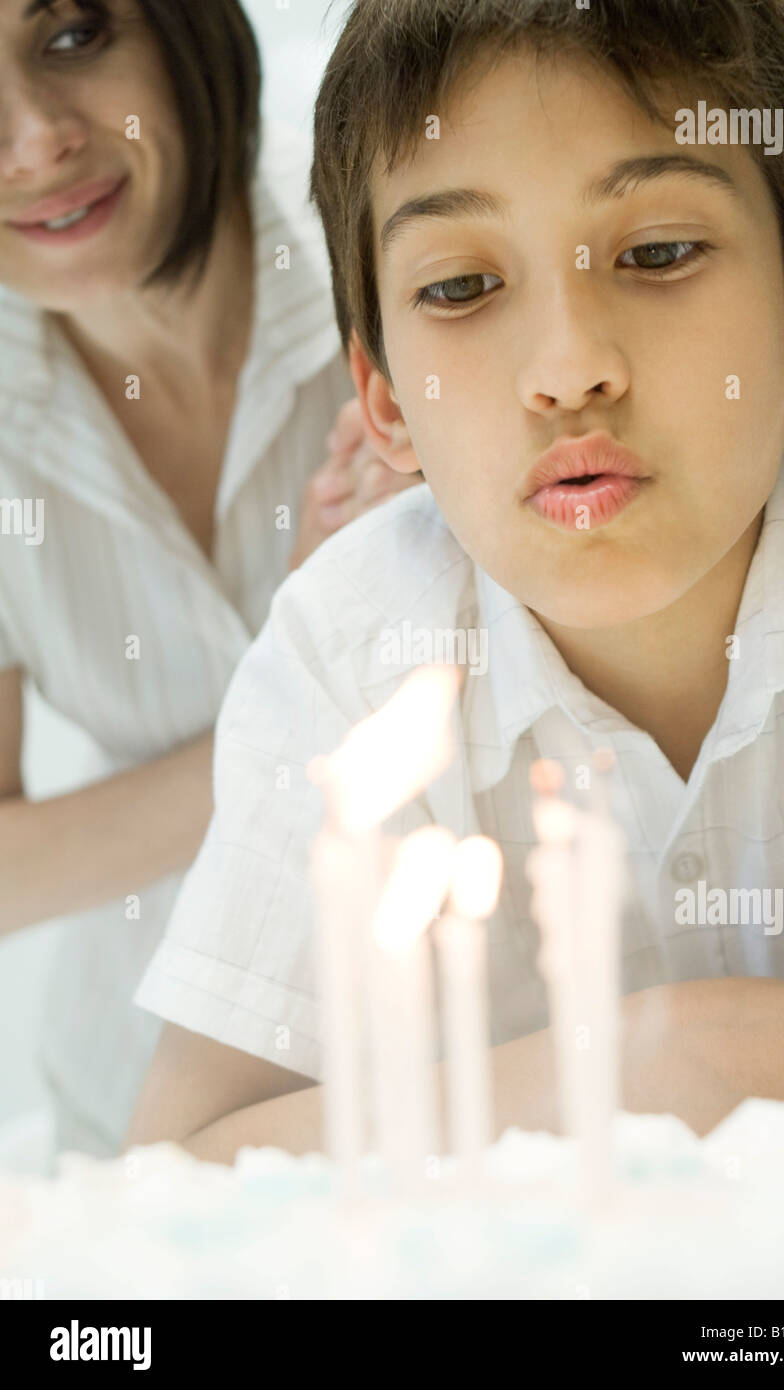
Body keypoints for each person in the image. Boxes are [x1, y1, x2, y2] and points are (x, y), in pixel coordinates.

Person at [127, 0, 784, 1161]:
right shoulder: (351, 652)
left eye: (657, 253)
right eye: (463, 288)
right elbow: (179, 1160)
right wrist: (656, 1063)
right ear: (384, 406)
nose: (569, 370)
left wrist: (724, 1061)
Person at [0, 0, 413, 1162]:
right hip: (144, 1124)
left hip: (483, 1085)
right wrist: (307, 681)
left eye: (73, 35)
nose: (32, 138)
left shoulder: (404, 238)